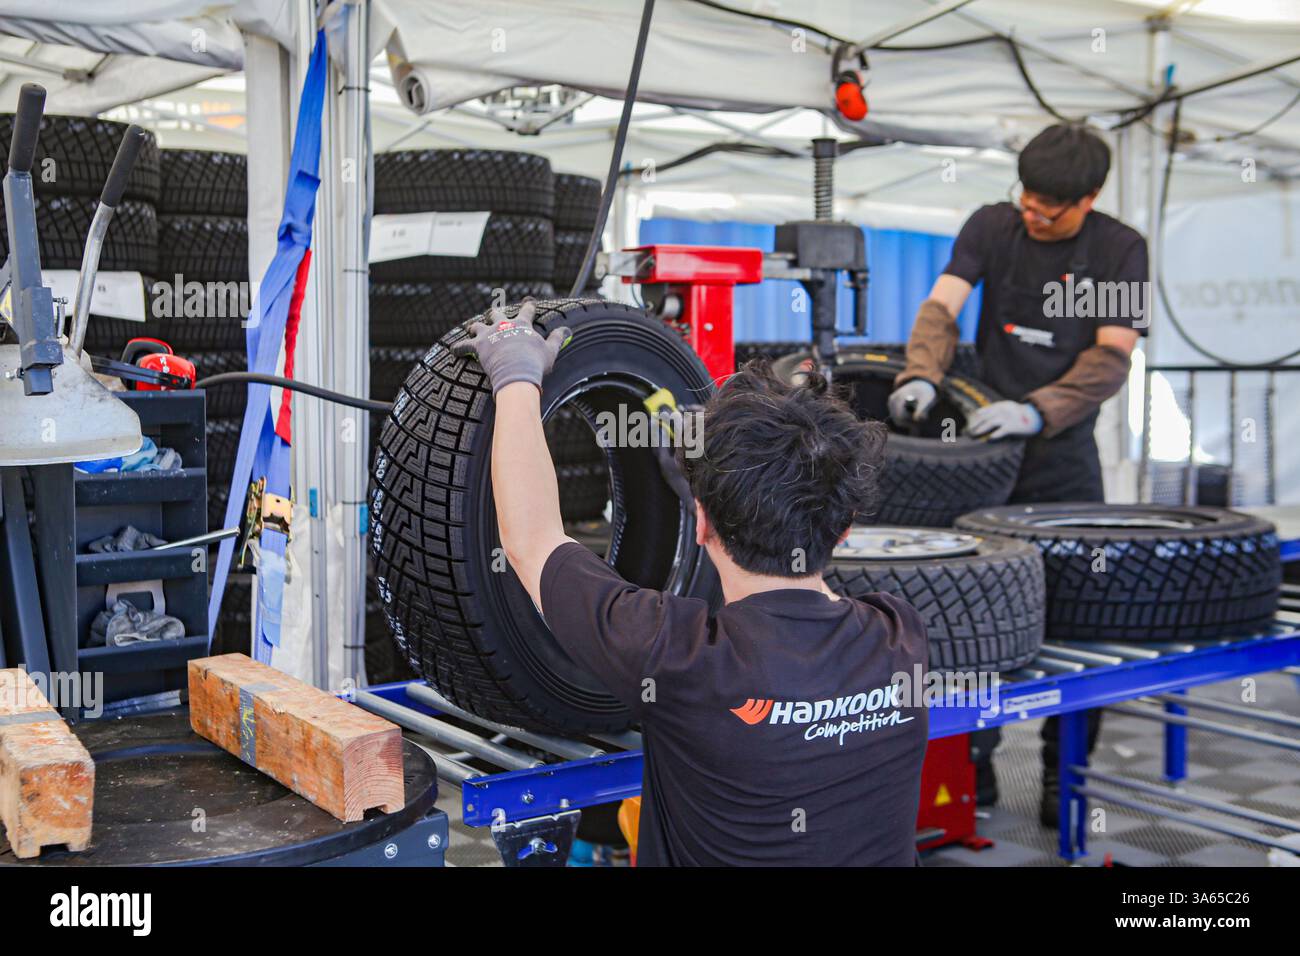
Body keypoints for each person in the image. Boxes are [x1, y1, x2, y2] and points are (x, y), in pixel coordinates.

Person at [453, 302, 929, 866]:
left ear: (698, 523)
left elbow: (532, 541)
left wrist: (514, 375)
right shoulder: (899, 635)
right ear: (845, 529)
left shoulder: (677, 657)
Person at [887, 123, 1148, 826]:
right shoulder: (992, 226)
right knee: (973, 619)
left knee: (1080, 622)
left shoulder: (1120, 249)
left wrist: (1037, 411)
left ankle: (1068, 778)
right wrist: (919, 373)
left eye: (1049, 208)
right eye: (1027, 198)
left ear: (1088, 198)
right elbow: (943, 306)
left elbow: (1110, 359)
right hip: (982, 461)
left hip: (1063, 464)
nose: (1033, 214)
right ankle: (973, 773)